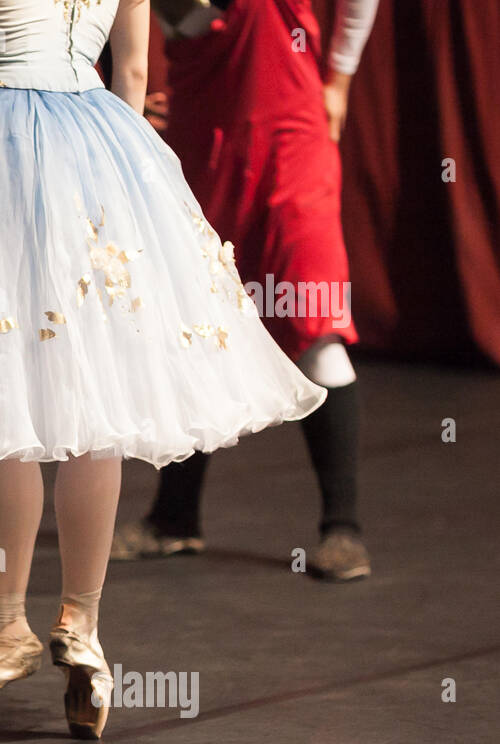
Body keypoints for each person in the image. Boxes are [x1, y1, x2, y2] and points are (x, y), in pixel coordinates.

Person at [0, 0, 325, 744]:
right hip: (99, 139)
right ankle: (82, 625)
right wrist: (117, 190)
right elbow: (132, 69)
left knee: (6, 389)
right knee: (93, 390)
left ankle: (2, 628)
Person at [113, 0, 379, 581]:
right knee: (196, 324)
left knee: (313, 317)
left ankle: (341, 529)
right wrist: (131, 108)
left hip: (291, 138)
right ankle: (174, 519)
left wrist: (339, 79)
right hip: (205, 135)